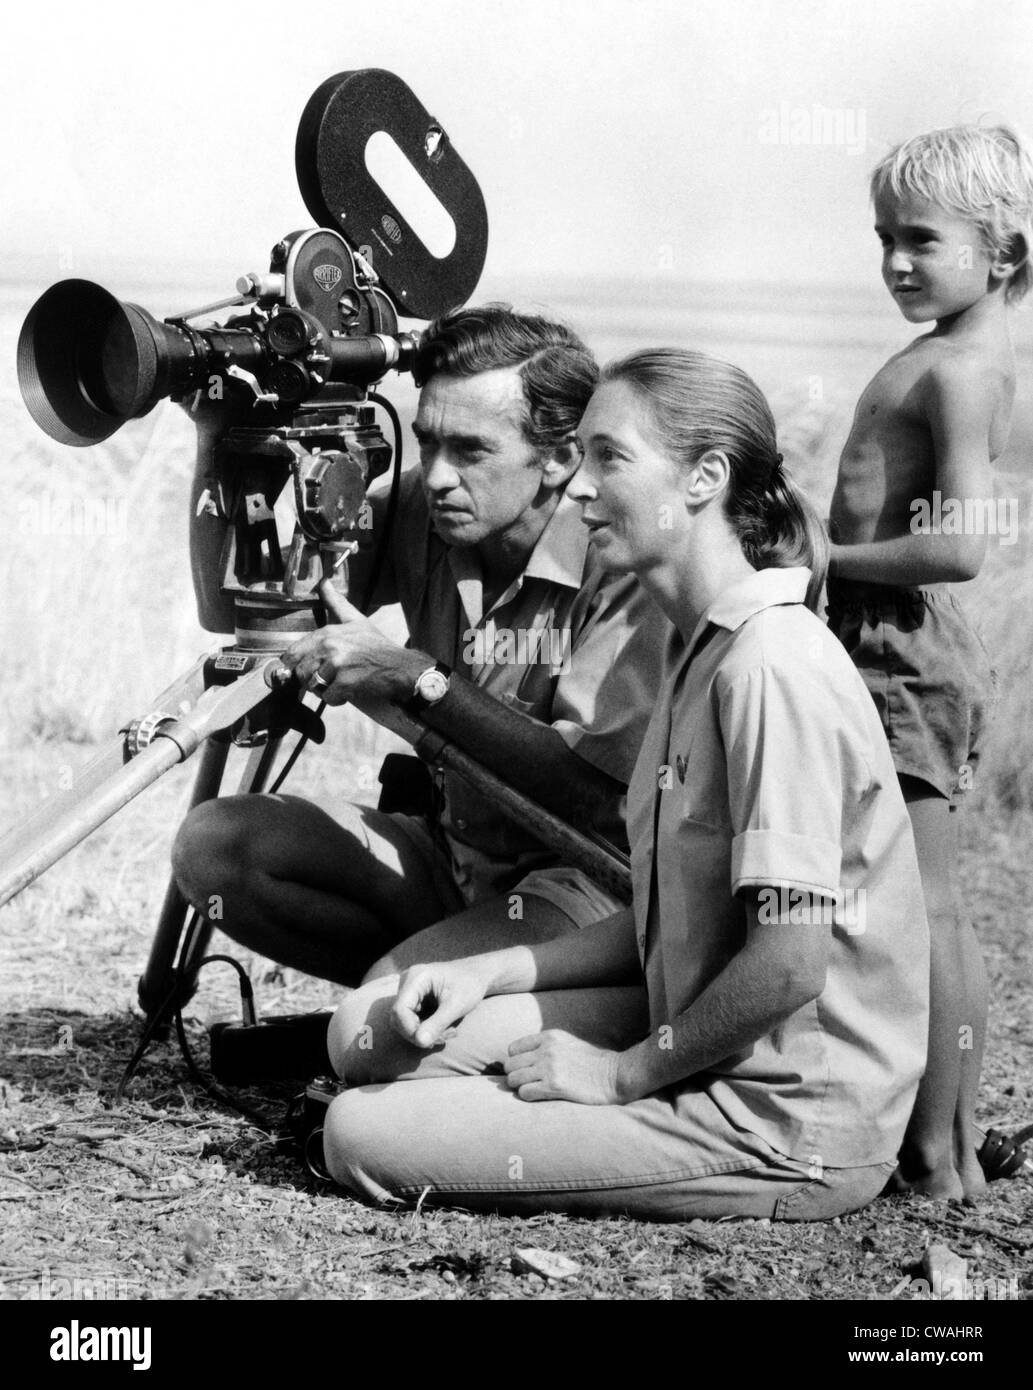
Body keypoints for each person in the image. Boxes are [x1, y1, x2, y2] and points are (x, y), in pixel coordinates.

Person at [320, 349, 930, 1222]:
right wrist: (486, 973)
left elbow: (791, 965)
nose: (579, 488)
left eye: (609, 457)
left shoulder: (769, 669)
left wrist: (618, 1075)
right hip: (697, 1030)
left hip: (779, 1115)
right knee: (373, 1033)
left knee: (359, 1132)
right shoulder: (698, 648)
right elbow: (661, 917)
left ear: (703, 478)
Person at [172, 306, 666, 987]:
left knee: (375, 1031)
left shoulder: (619, 563)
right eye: (427, 442)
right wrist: (217, 442)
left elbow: (588, 797)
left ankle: (446, 1002)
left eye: (469, 450)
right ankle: (425, 989)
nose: (436, 475)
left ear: (558, 457)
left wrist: (415, 680)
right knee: (218, 848)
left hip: (583, 882)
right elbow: (238, 607)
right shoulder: (424, 507)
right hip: (453, 856)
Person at [826, 125, 1033, 1202]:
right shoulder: (952, 352)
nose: (896, 262)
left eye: (921, 240)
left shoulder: (956, 370)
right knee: (908, 897)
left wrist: (822, 558)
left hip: (903, 645)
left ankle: (945, 1154)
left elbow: (958, 547)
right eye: (883, 240)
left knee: (931, 902)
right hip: (880, 639)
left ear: (999, 255)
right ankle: (937, 1138)